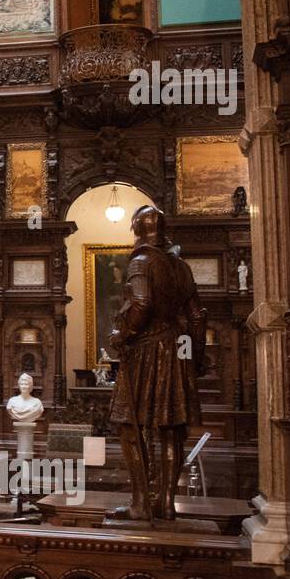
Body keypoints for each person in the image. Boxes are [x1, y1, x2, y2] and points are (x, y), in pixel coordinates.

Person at [106, 205, 206, 522]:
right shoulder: (181, 267)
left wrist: (123, 334)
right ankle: (165, 503)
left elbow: (141, 304)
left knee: (127, 425)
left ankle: (140, 503)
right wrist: (197, 358)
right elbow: (197, 317)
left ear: (137, 229)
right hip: (177, 351)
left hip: (146, 349)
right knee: (172, 429)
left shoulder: (141, 262)